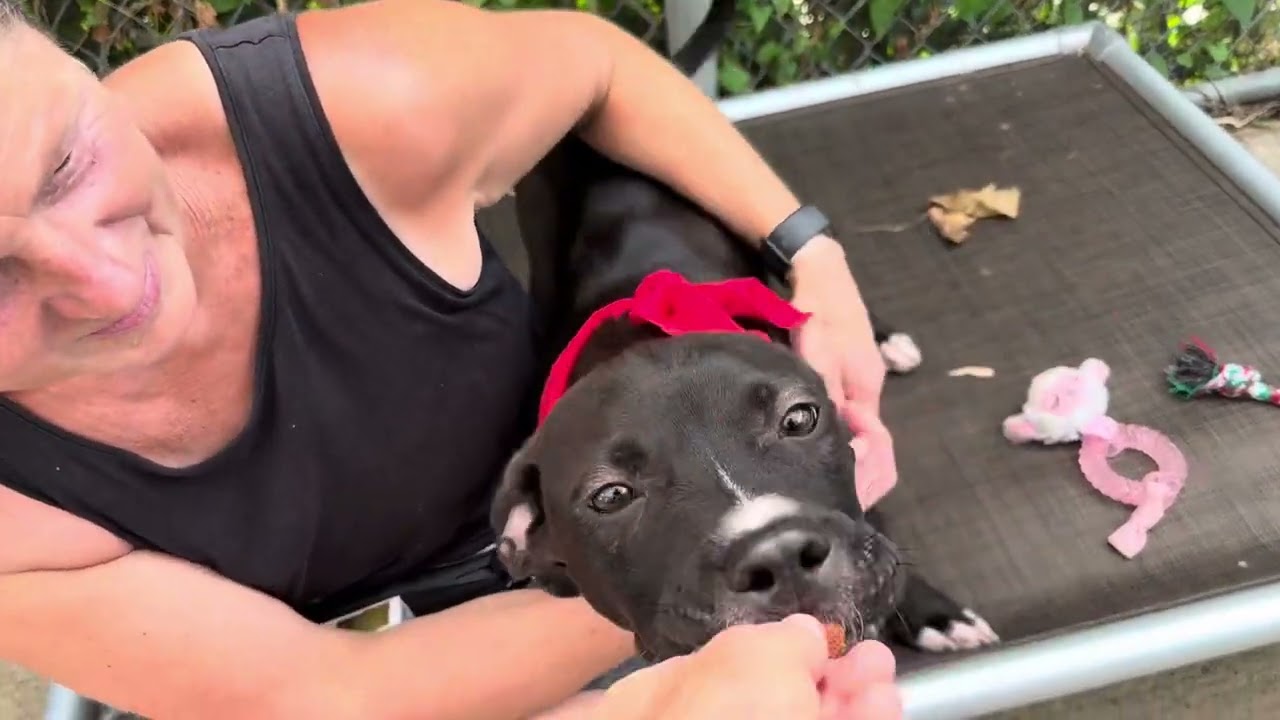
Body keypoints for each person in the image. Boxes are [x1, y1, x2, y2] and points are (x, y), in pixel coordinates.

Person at [0, 0, 900, 717]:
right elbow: (327, 696)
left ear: (72, 67)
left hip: (599, 515)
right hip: (437, 640)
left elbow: (598, 69)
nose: (107, 284)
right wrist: (743, 574)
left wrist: (812, 255)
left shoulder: (357, 104)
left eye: (65, 164)